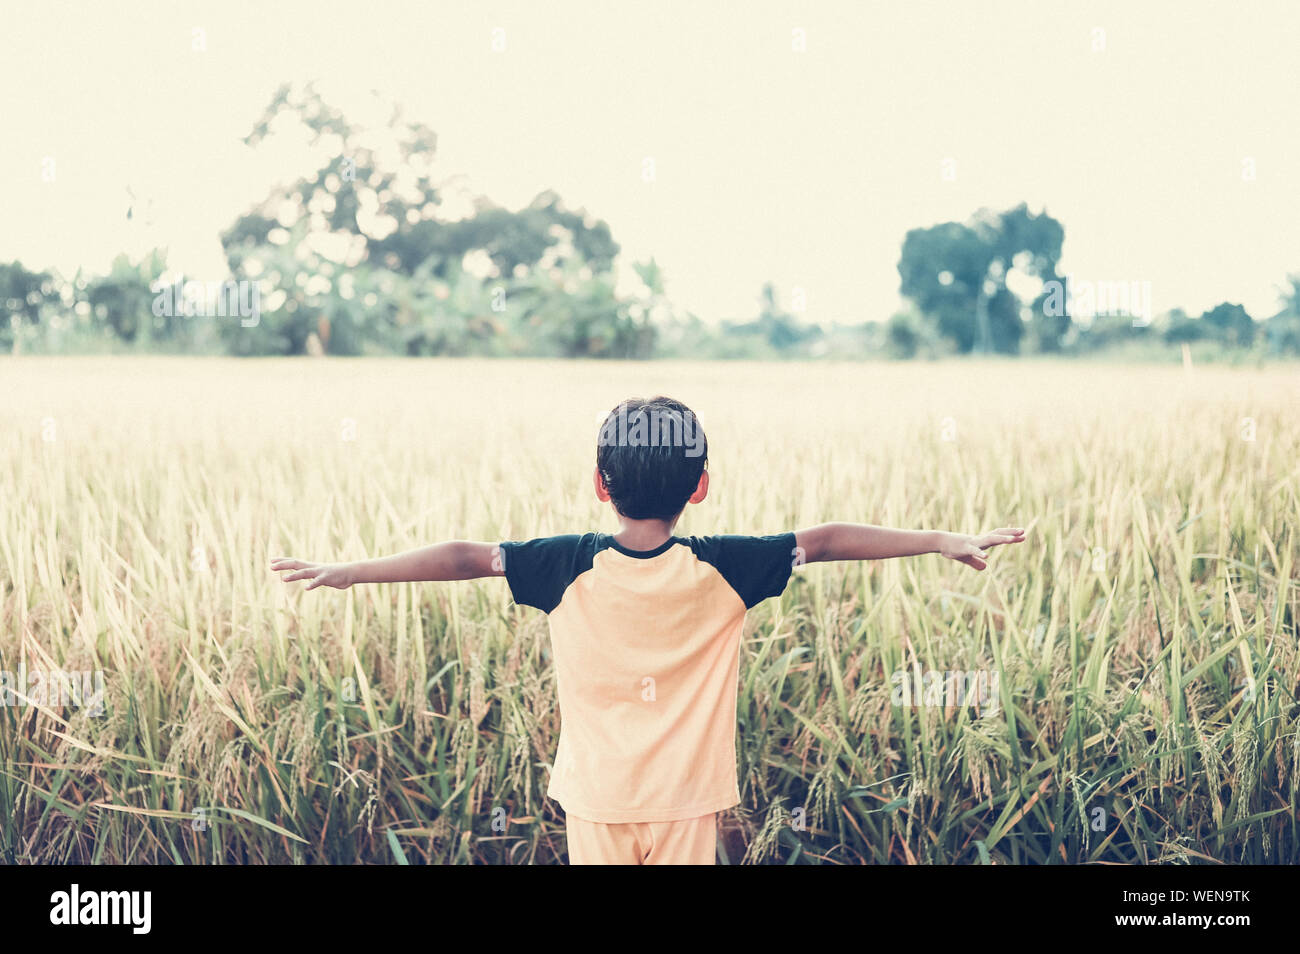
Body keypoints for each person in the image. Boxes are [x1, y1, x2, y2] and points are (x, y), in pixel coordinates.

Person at [272, 395, 1025, 864]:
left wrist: (350, 570)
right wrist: (944, 538)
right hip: (688, 801)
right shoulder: (730, 566)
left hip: (597, 800)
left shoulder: (561, 565)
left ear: (600, 486)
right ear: (700, 486)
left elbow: (468, 556)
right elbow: (825, 540)